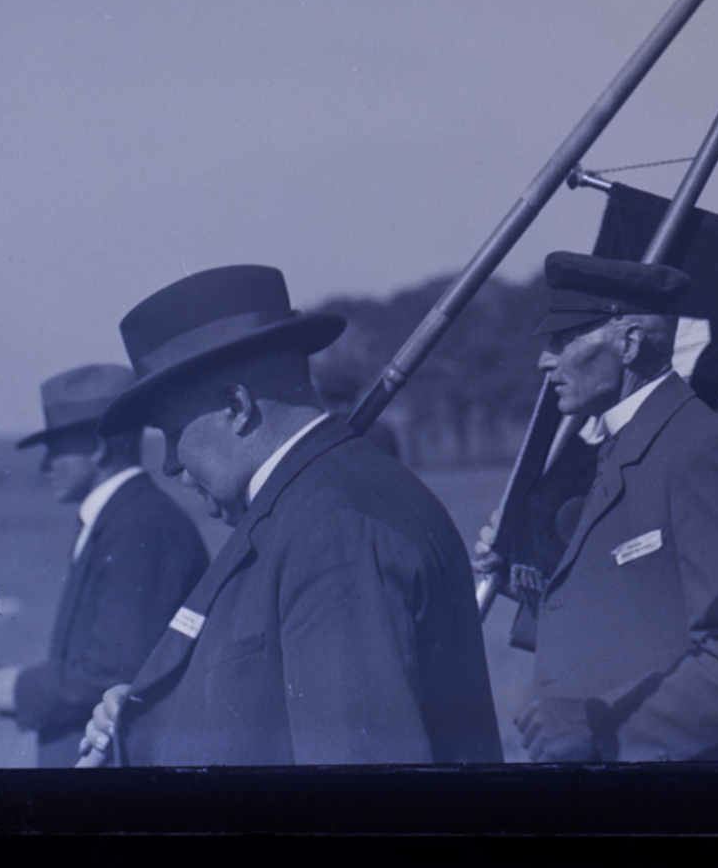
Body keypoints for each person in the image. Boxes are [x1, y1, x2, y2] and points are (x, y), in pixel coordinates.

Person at [76, 265, 499, 767]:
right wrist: (150, 716)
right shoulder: (301, 509)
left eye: (172, 433)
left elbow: (359, 787)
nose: (168, 464)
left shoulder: (333, 529)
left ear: (237, 406)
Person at [479, 253, 718, 762]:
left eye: (563, 340)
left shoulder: (697, 455)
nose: (545, 360)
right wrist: (521, 581)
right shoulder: (630, 445)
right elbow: (643, 607)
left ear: (628, 342)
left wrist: (603, 725)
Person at [0, 364, 208, 767]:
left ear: (99, 446)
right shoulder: (125, 519)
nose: (45, 465)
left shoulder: (142, 525)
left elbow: (118, 669)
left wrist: (23, 690)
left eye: (57, 447)